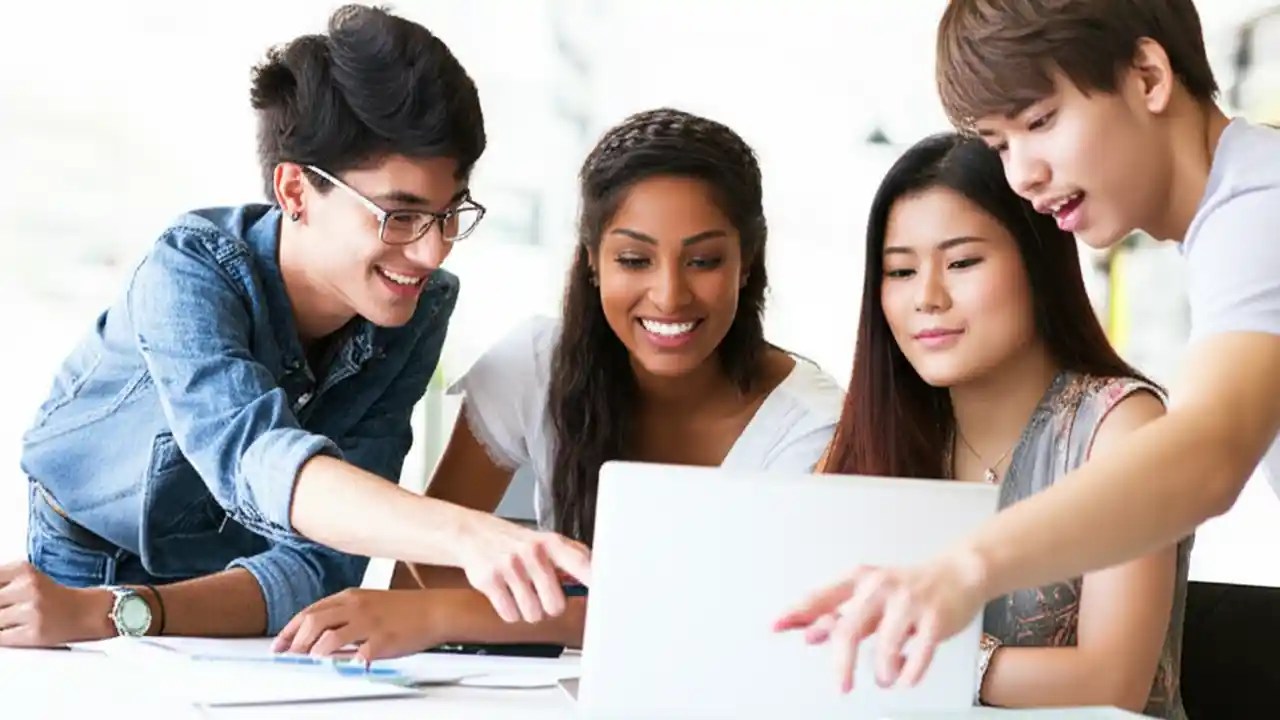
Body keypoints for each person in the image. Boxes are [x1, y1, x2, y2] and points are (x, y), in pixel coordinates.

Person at [2, 4, 588, 648]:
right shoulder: (189, 270)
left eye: (451, 214)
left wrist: (129, 611)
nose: (432, 252)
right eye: (399, 215)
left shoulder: (416, 309)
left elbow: (326, 563)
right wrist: (465, 532)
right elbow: (256, 459)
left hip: (246, 589)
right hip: (81, 570)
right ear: (296, 192)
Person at [777, 0, 1280, 694]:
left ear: (1148, 75)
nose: (1023, 177)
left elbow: (1210, 453)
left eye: (1040, 123)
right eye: (1000, 143)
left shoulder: (1262, 206)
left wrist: (962, 571)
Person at [272, 108, 845, 662]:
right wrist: (433, 611)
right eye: (634, 259)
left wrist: (449, 616)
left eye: (703, 261)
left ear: (747, 263)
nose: (669, 295)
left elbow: (739, 621)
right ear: (594, 260)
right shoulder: (535, 366)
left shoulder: (812, 426)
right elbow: (428, 570)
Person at [807, 133, 1187, 715]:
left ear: (1036, 261)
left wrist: (926, 650)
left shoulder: (1119, 427)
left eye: (961, 262)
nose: (927, 298)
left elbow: (1112, 685)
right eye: (901, 271)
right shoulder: (879, 429)